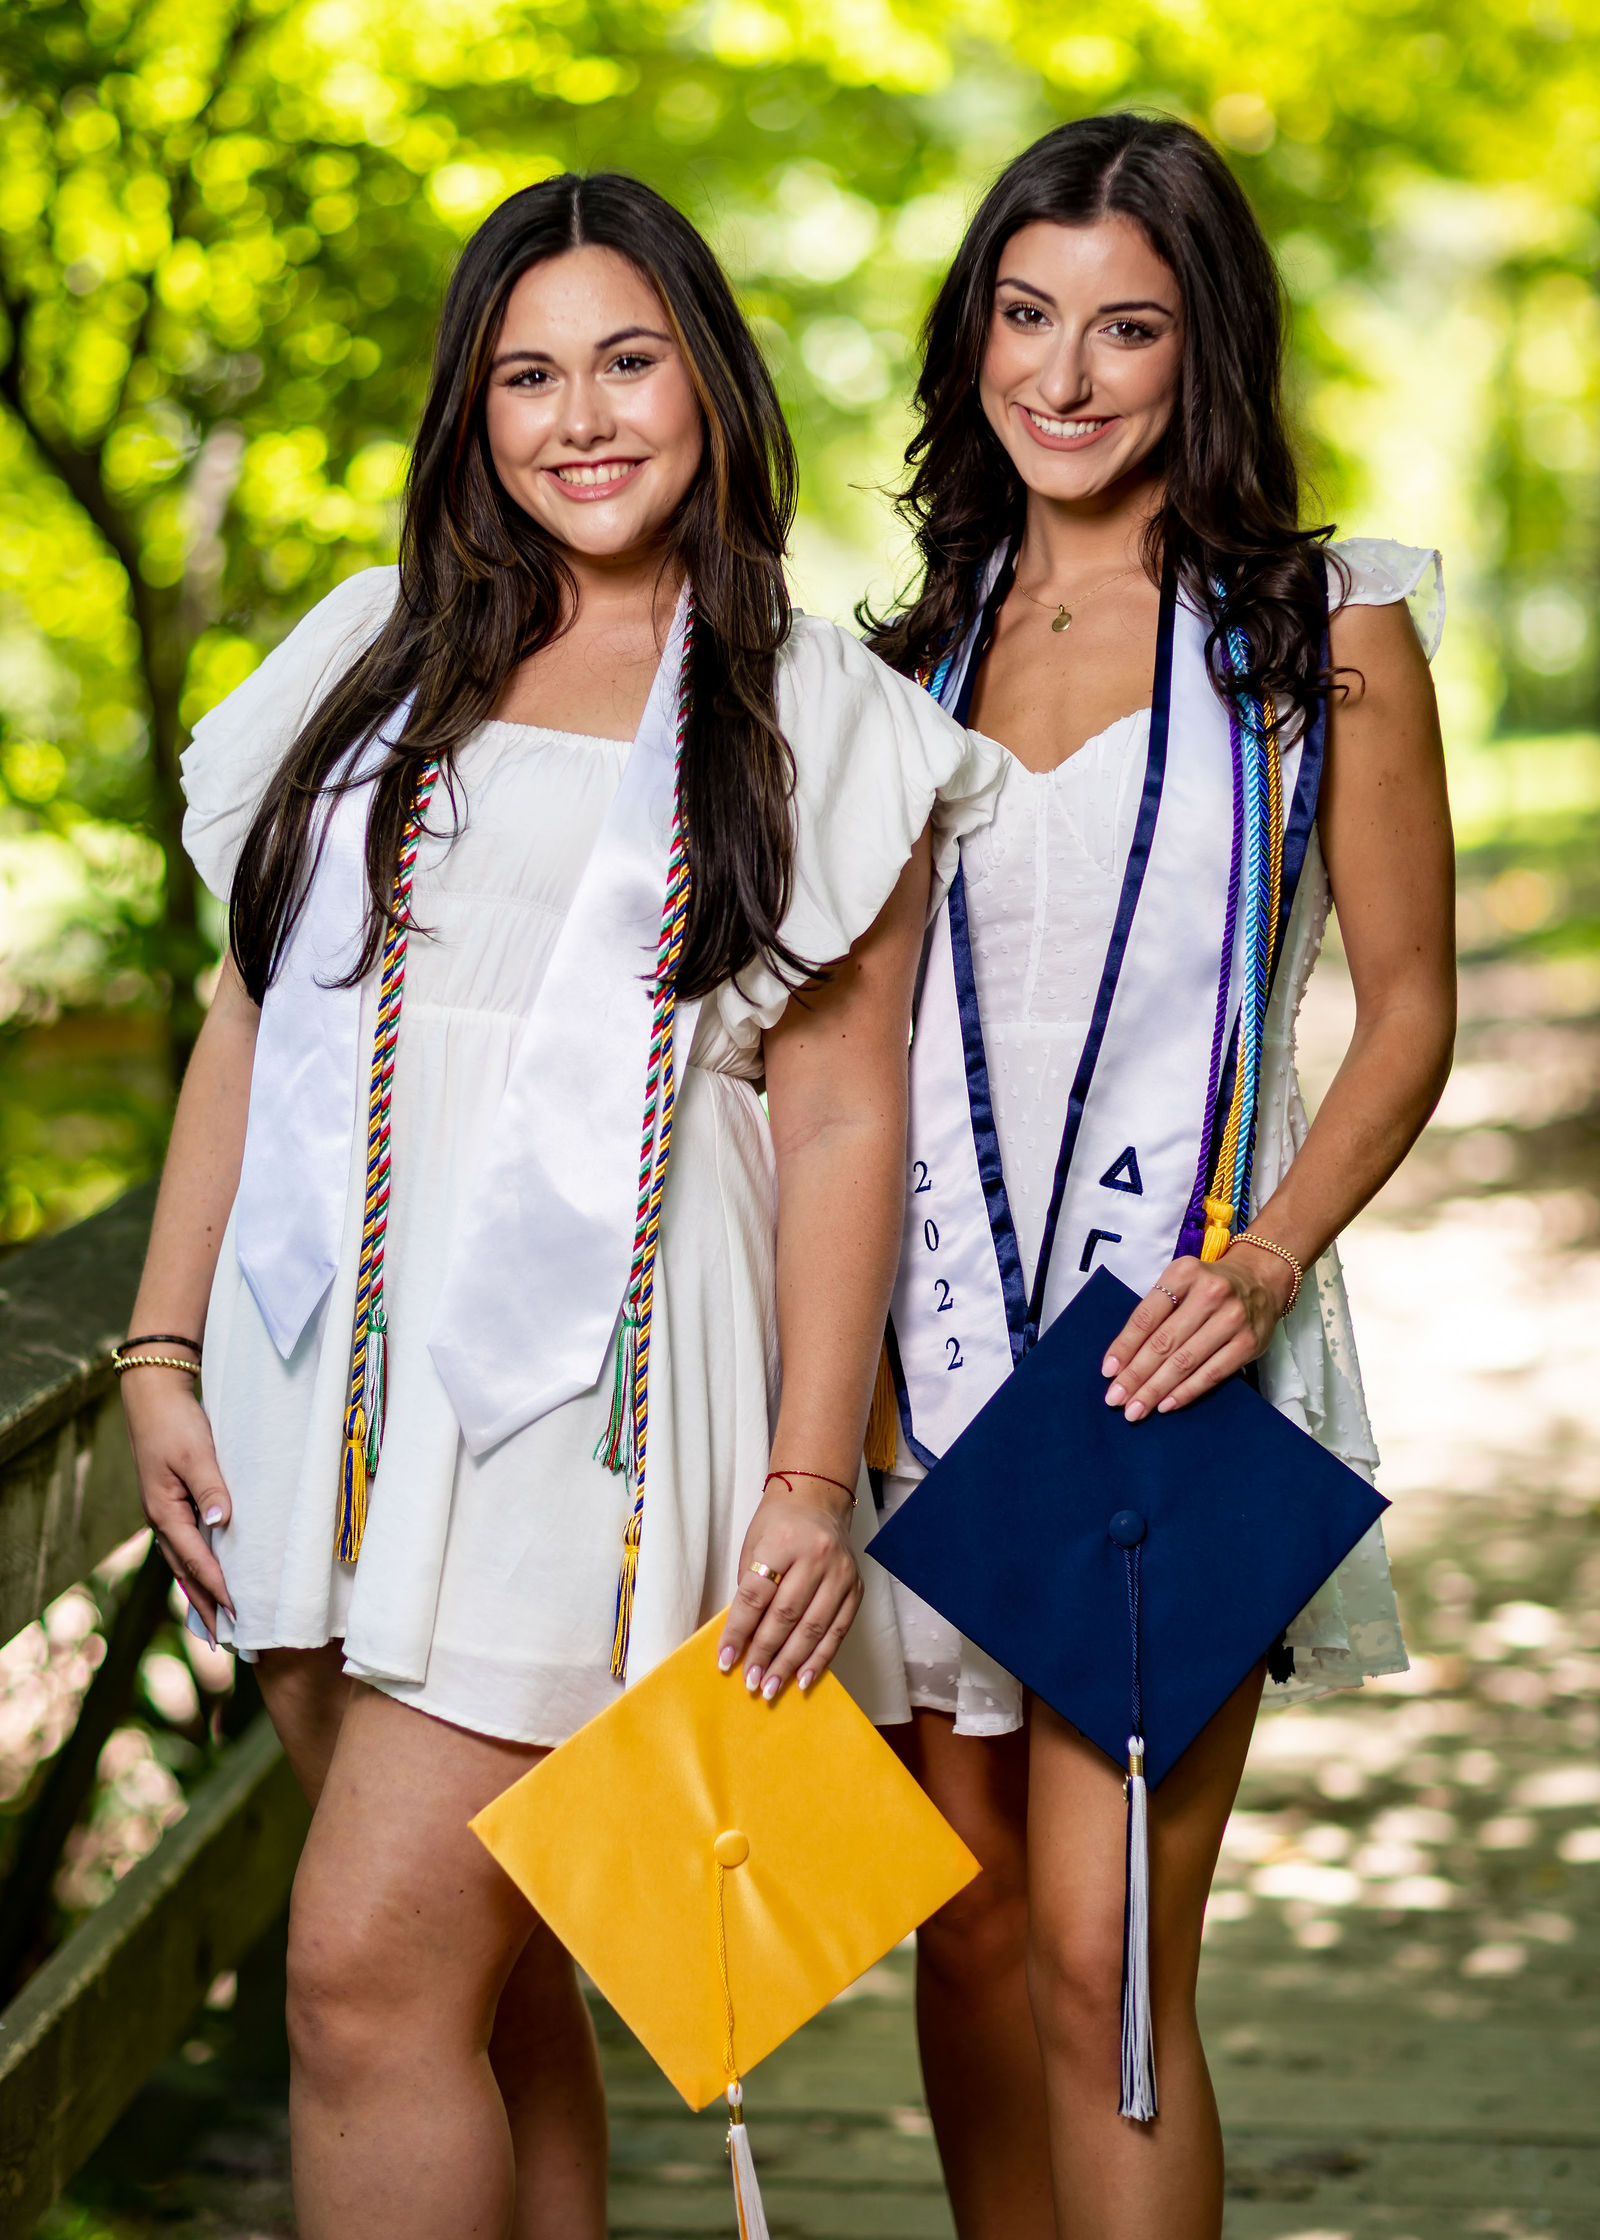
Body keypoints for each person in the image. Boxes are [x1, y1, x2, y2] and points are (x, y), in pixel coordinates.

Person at [118, 172, 1000, 2240]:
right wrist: (160, 1346)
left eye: (625, 361)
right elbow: (255, 1010)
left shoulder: (812, 708)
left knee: (360, 1982)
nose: (579, 417)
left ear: (710, 382)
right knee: (485, 1993)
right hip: (320, 1378)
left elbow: (841, 1119)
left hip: (584, 1394)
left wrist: (807, 1482)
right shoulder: (368, 652)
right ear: (471, 407)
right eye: (526, 375)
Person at [864, 114, 1455, 2240]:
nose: (1066, 374)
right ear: (973, 337)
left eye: (1126, 327)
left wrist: (1268, 1258)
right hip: (916, 1361)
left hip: (1168, 1364)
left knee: (1104, 1960)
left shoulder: (1318, 634)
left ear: (1204, 347)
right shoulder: (901, 660)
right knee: (964, 1936)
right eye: (1025, 316)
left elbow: (1407, 1006)